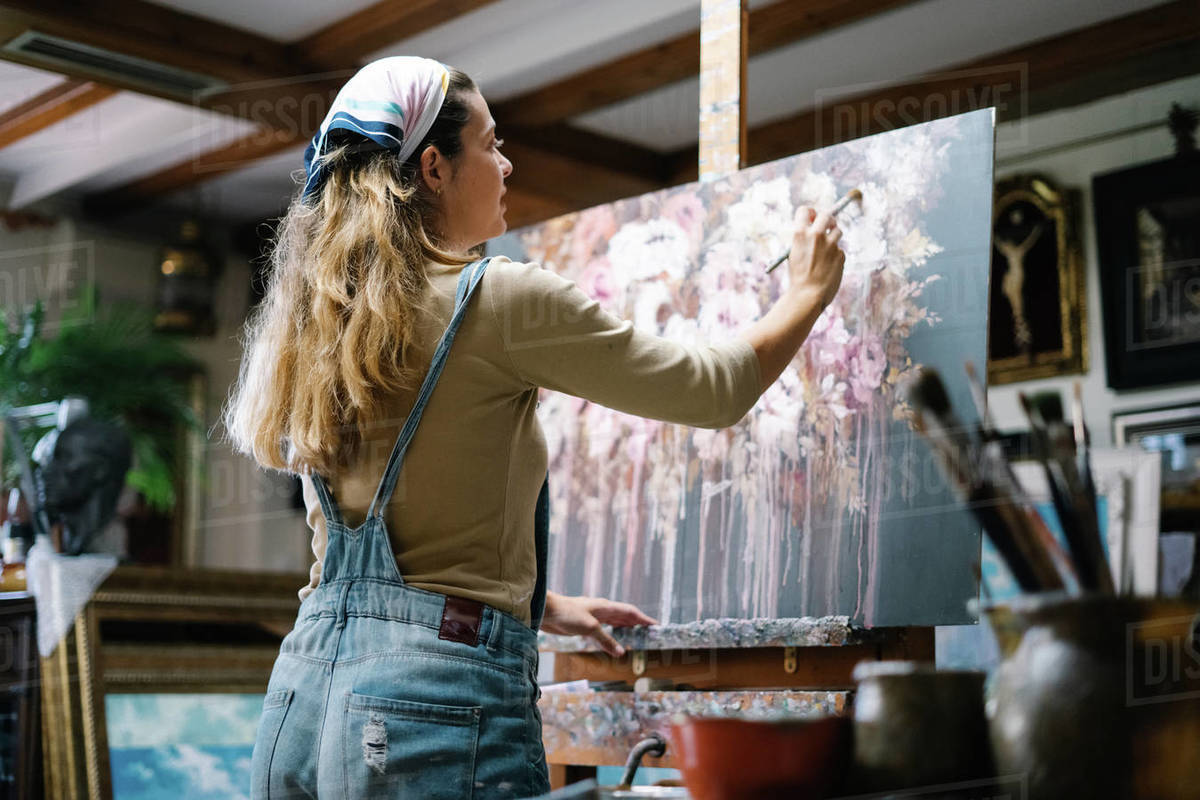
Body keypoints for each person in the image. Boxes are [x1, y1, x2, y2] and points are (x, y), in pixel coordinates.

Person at [223, 56, 844, 800]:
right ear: (434, 168)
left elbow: (365, 550)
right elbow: (713, 390)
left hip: (300, 705)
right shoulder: (499, 300)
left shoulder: (320, 324)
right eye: (490, 143)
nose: (507, 163)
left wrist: (539, 604)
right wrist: (807, 293)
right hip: (428, 713)